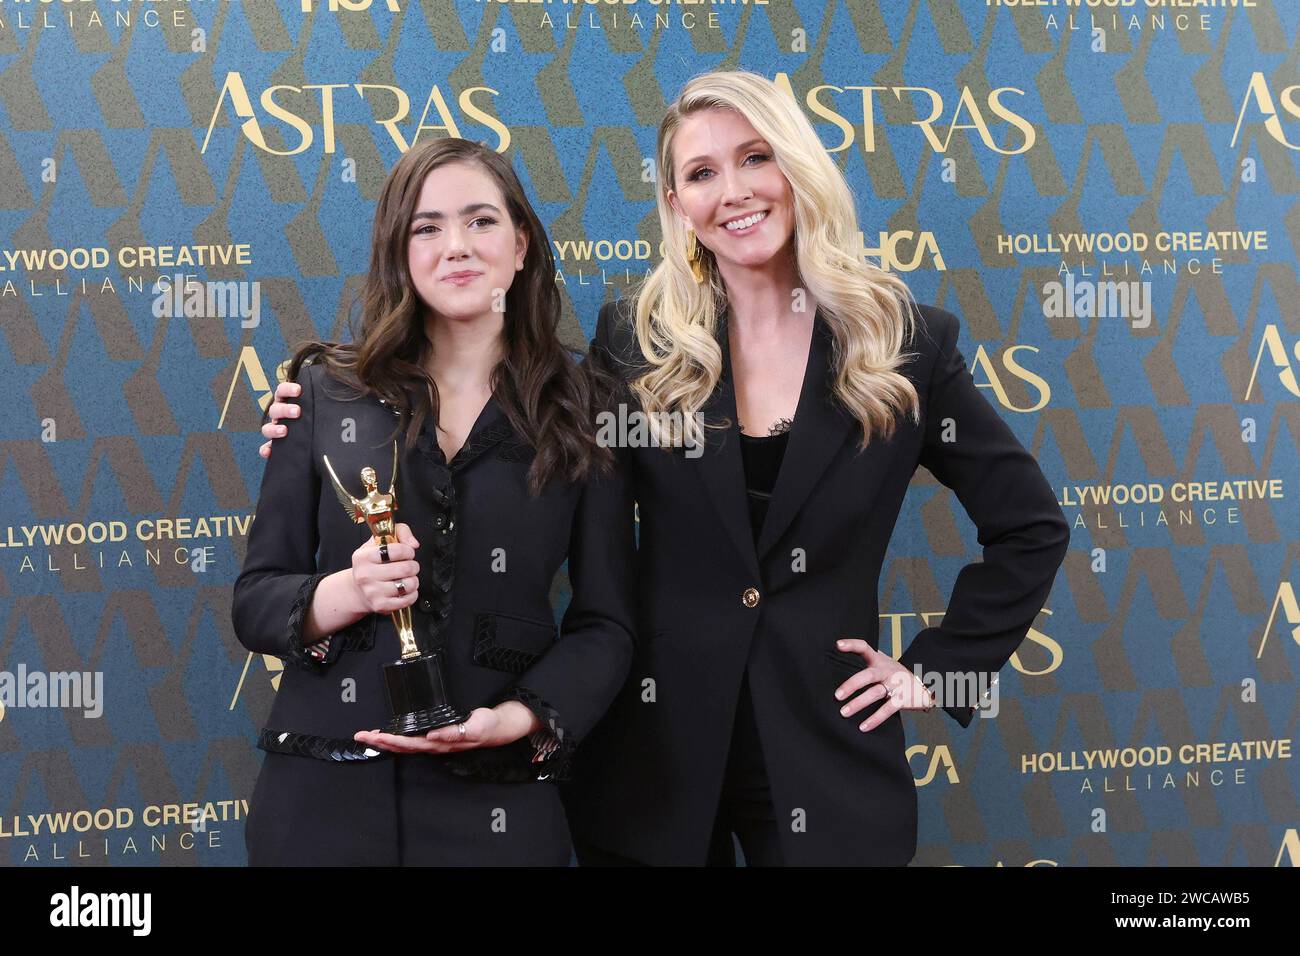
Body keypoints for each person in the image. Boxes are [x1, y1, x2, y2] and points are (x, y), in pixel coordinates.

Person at [259, 72, 1070, 867]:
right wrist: (322, 428)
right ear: (678, 205)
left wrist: (939, 671)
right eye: (701, 173)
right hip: (650, 759)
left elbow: (1030, 527)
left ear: (799, 167)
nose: (735, 192)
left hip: (827, 757)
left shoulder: (906, 345)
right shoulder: (636, 342)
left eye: (756, 158)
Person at [232, 137, 634, 866]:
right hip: (319, 801)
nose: (456, 246)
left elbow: (606, 625)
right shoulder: (323, 393)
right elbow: (256, 599)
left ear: (521, 246)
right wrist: (346, 591)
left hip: (497, 802)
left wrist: (518, 717)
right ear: (400, 252)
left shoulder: (588, 409)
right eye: (427, 227)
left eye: (481, 221)